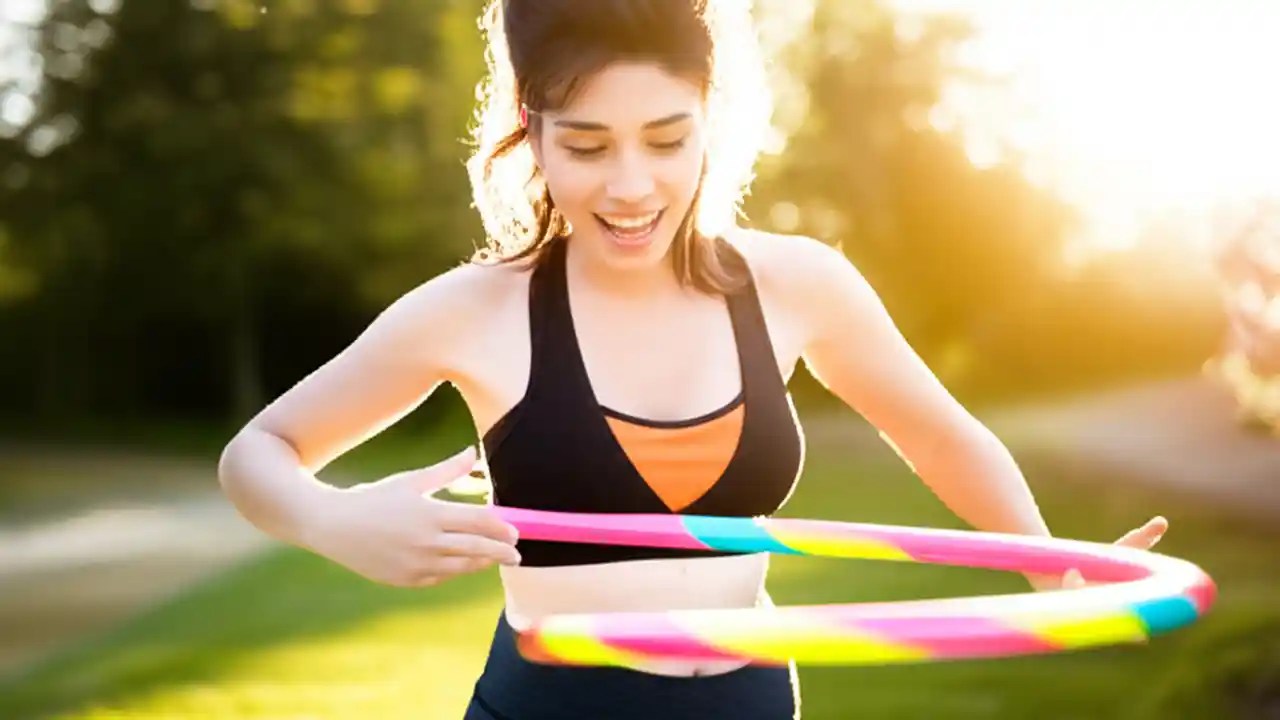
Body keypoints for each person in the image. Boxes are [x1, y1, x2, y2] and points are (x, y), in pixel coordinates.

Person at [216, 1, 1169, 718]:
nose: (631, 186)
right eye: (587, 146)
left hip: (750, 702)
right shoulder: (478, 309)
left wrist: (1048, 567)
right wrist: (331, 520)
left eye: (666, 140)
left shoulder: (798, 284)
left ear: (712, 117)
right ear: (531, 133)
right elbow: (258, 451)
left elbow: (940, 436)